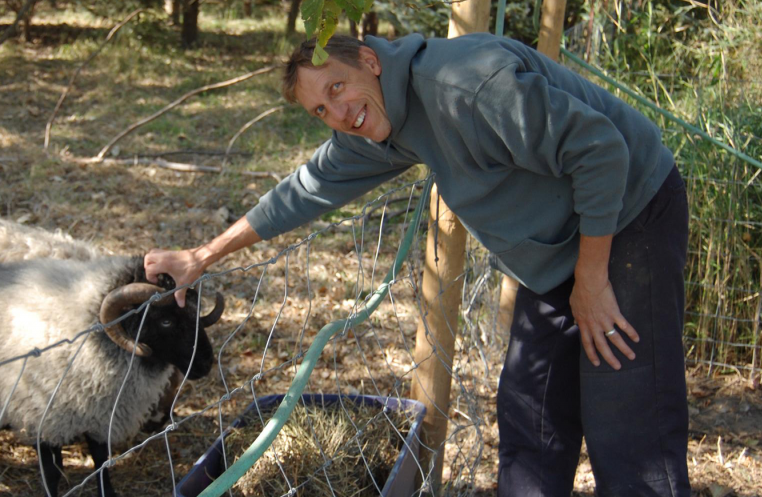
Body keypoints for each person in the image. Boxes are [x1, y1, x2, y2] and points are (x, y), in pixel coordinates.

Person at [145, 33, 690, 496]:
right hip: (555, 248)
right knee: (531, 408)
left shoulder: (465, 86)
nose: (338, 115)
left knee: (625, 417)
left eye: (336, 88)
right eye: (320, 110)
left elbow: (601, 150)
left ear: (370, 60)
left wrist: (592, 281)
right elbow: (305, 190)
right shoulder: (375, 117)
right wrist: (203, 255)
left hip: (628, 213)